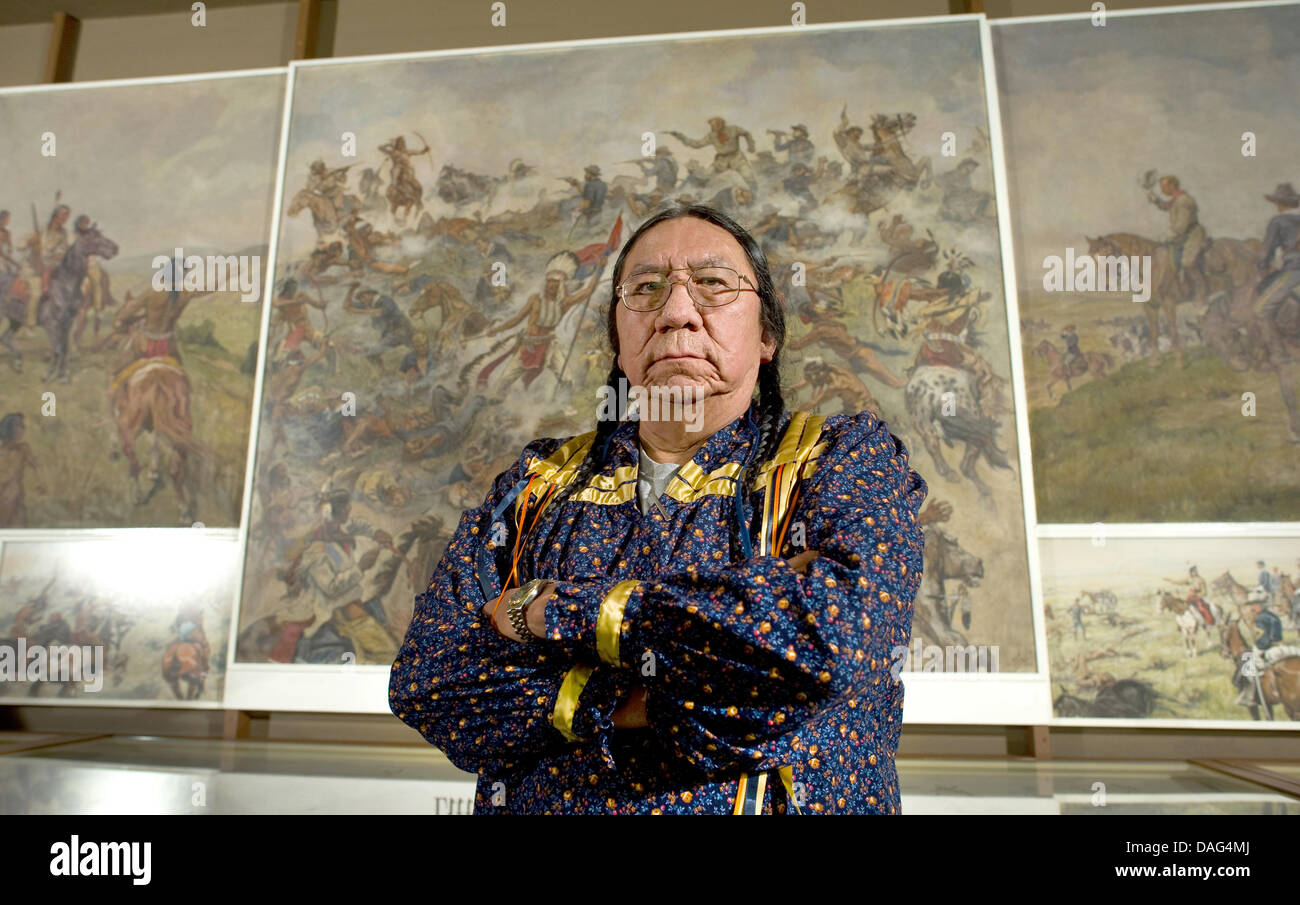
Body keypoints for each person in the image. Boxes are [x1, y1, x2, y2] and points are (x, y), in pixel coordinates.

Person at [389, 203, 928, 814]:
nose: (675, 313)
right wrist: (628, 703)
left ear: (767, 335)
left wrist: (551, 611)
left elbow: (837, 641)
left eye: (714, 284)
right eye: (644, 289)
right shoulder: (535, 483)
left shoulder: (840, 460)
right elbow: (430, 682)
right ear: (618, 343)